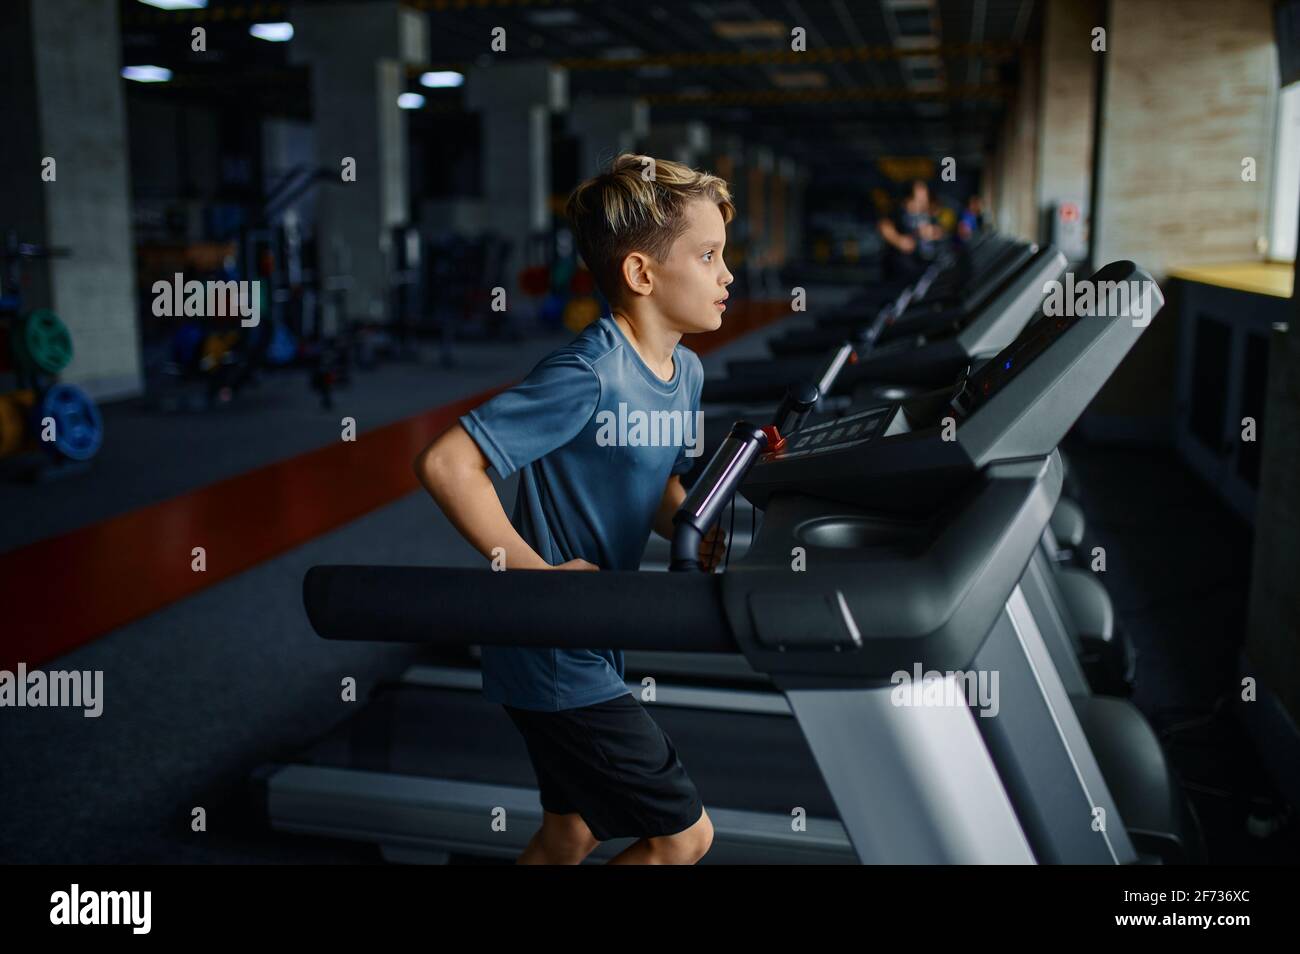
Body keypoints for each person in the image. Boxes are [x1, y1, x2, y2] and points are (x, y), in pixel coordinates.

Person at [413, 154, 732, 865]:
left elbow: (656, 488)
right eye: (708, 256)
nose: (727, 275)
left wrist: (695, 527)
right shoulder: (586, 374)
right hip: (552, 645)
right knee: (684, 839)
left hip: (592, 631)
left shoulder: (687, 373)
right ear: (643, 275)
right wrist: (534, 574)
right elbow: (446, 464)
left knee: (571, 832)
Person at [877, 178, 944, 281]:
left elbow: (939, 232)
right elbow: (884, 226)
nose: (924, 197)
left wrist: (932, 232)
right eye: (920, 193)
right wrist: (899, 240)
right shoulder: (899, 212)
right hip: (903, 268)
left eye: (925, 193)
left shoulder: (929, 214)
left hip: (926, 266)